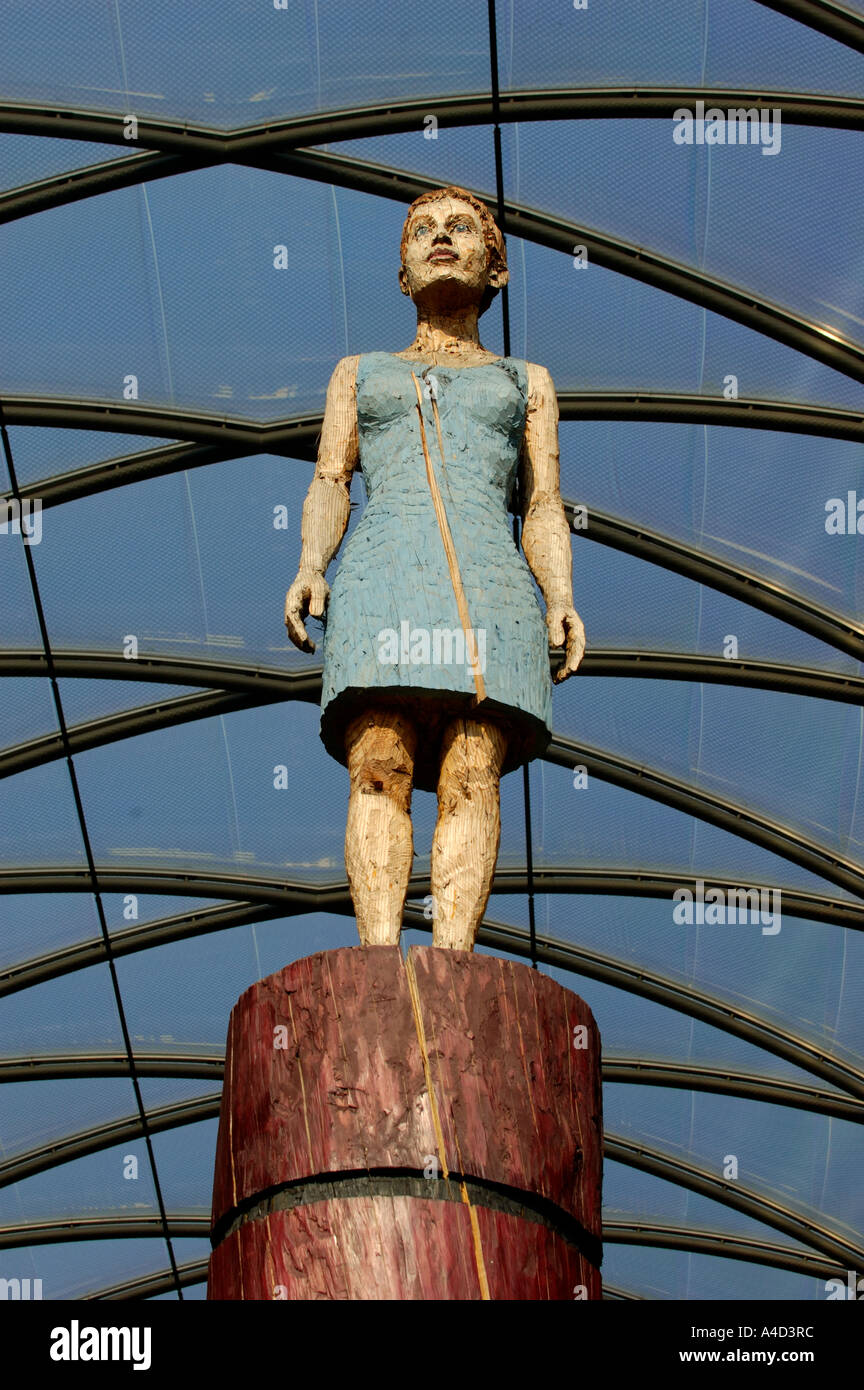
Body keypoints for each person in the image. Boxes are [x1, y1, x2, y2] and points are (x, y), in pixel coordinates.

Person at [284, 185, 584, 950]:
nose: (440, 239)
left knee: (471, 769)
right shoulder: (359, 372)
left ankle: (455, 960)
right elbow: (330, 478)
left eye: (460, 229)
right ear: (403, 273)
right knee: (377, 757)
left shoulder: (527, 383)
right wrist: (311, 563)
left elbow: (544, 501)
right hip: (383, 576)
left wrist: (561, 595)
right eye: (422, 231)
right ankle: (378, 954)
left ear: (497, 269)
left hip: (492, 590)